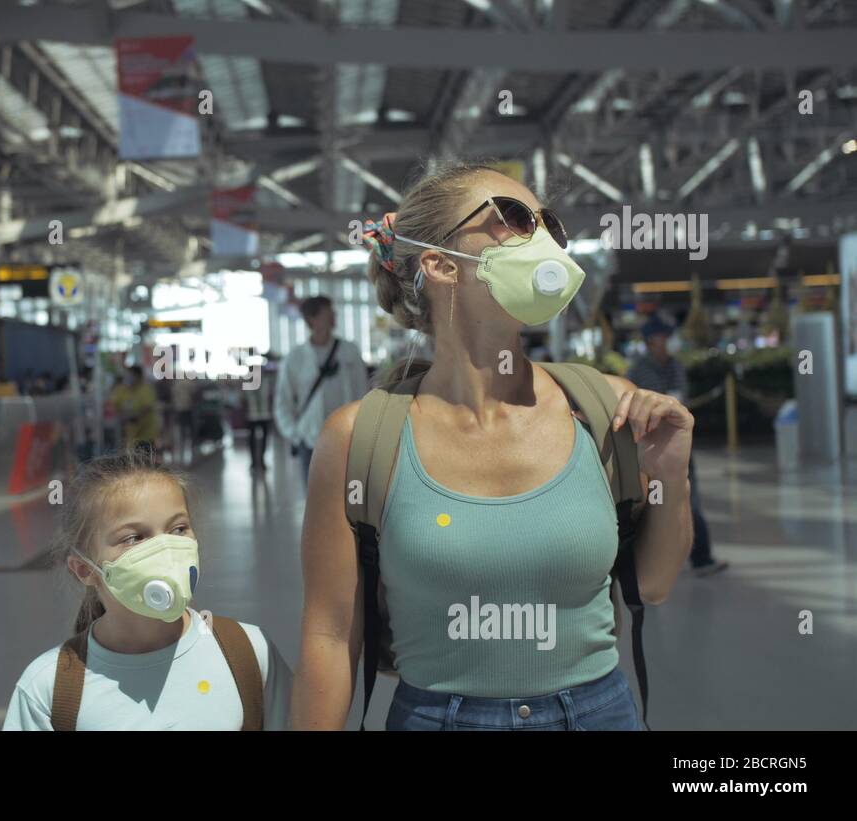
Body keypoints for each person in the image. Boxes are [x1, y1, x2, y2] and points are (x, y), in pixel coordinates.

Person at [291, 163, 695, 730]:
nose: (545, 240)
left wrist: (672, 477)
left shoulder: (607, 408)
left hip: (598, 714)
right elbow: (330, 638)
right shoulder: (360, 438)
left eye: (548, 224)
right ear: (438, 263)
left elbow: (651, 585)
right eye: (513, 218)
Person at [1, 449, 292, 730]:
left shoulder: (249, 653)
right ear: (85, 569)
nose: (164, 548)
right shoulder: (49, 690)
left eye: (178, 529)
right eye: (133, 537)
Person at [628, 317, 728, 577]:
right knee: (649, 505)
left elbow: (678, 402)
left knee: (689, 498)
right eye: (666, 336)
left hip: (678, 443)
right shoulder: (638, 371)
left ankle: (702, 558)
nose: (672, 341)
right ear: (652, 341)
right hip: (647, 447)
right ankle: (648, 564)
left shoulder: (676, 366)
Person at [274, 296, 369, 484]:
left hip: (347, 440)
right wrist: (295, 434)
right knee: (315, 499)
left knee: (349, 497)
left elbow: (363, 393)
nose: (335, 317)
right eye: (329, 313)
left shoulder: (349, 351)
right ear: (313, 319)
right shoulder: (295, 358)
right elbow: (282, 401)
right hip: (310, 441)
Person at [109, 364, 161, 455]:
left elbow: (147, 408)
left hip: (146, 434)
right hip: (129, 435)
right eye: (128, 375)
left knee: (145, 461)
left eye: (131, 375)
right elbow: (113, 405)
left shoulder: (146, 390)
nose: (129, 378)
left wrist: (133, 415)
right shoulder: (122, 390)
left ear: (139, 377)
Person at [242, 355, 275, 472]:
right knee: (251, 439)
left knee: (264, 439)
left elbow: (271, 397)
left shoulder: (266, 381)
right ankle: (253, 462)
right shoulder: (247, 382)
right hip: (252, 415)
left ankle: (261, 460)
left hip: (264, 414)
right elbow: (244, 399)